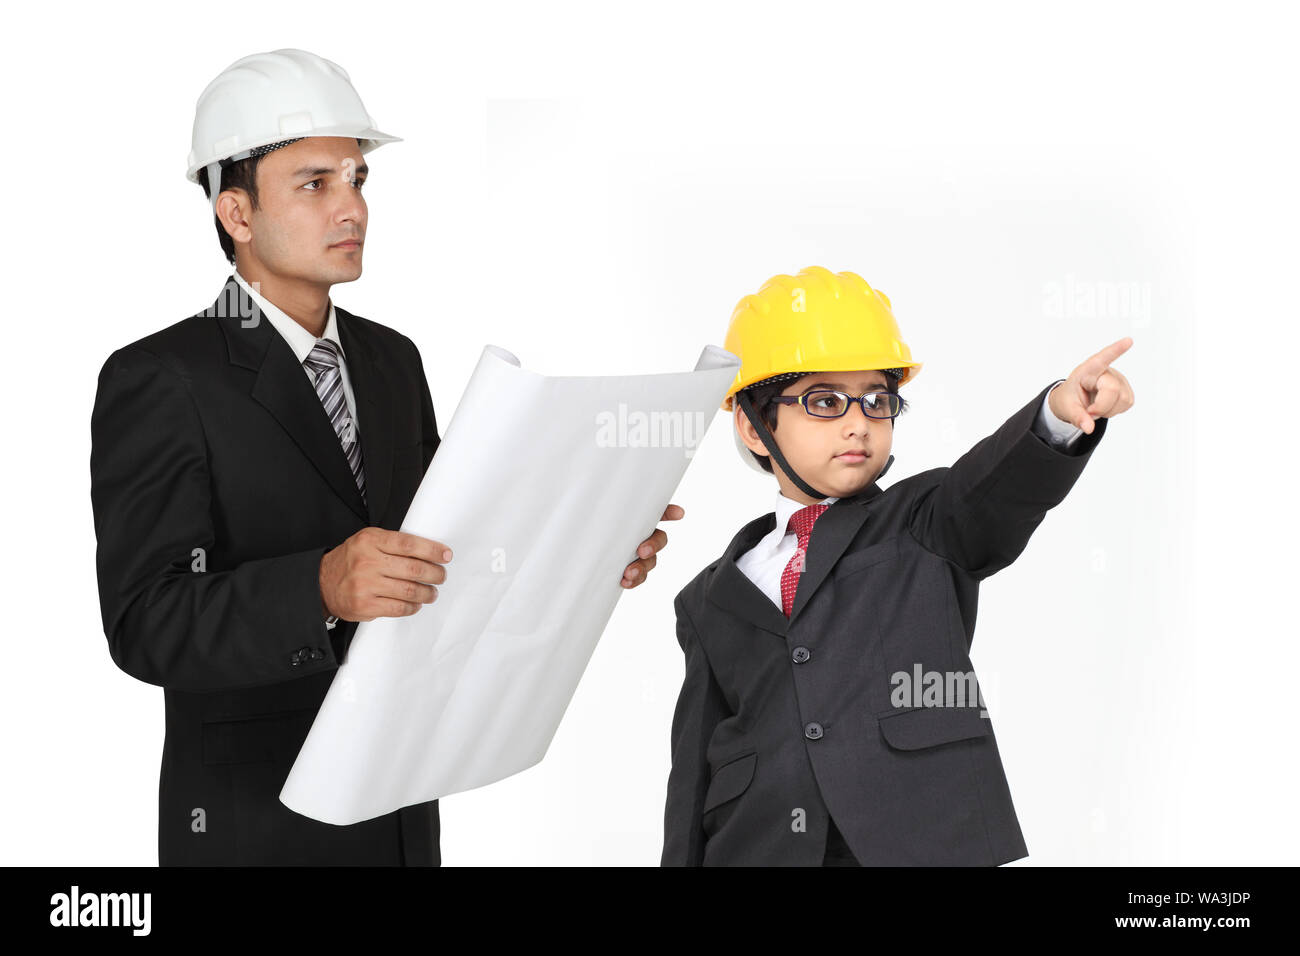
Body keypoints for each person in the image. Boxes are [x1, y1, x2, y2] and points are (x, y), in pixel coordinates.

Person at [90, 48, 681, 866]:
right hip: (255, 822)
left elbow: (451, 552)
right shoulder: (161, 379)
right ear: (236, 212)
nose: (351, 208)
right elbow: (144, 622)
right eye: (314, 184)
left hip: (399, 808)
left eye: (358, 180)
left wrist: (585, 545)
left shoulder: (390, 361)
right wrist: (318, 588)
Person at [660, 265, 1134, 865]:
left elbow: (992, 489)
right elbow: (694, 765)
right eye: (824, 401)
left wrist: (1059, 416)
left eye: (878, 400)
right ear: (754, 427)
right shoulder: (707, 598)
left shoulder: (924, 522)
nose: (858, 421)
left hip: (916, 838)